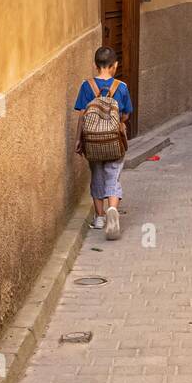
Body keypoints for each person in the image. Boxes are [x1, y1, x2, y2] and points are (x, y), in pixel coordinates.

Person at [75, 47, 132, 240]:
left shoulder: (86, 86)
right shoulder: (121, 87)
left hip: (92, 142)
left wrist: (78, 139)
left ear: (95, 65)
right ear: (115, 66)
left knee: (97, 174)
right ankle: (112, 209)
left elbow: (82, 115)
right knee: (113, 176)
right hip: (114, 140)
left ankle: (99, 217)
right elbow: (125, 115)